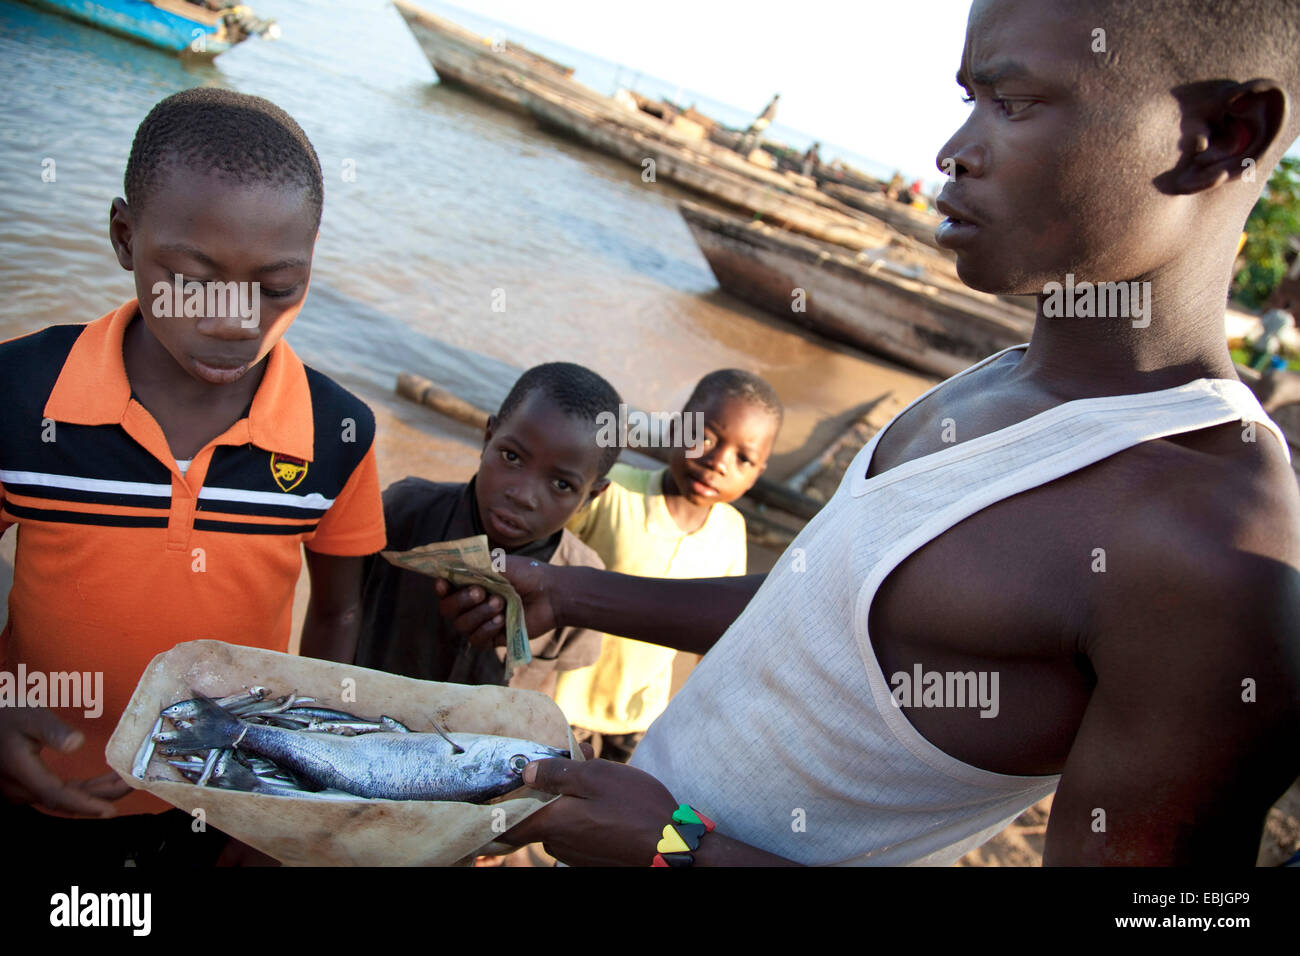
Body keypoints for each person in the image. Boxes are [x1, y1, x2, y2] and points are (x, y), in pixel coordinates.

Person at [439, 0, 1300, 866]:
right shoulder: (1001, 384)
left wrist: (675, 844)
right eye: (969, 98)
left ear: (1224, 134)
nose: (955, 150)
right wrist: (574, 595)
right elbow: (823, 615)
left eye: (1015, 103)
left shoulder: (1210, 548)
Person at [0, 88, 386, 864]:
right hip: (28, 773)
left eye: (278, 287)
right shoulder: (20, 393)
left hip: (214, 796)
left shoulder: (337, 433)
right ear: (123, 236)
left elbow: (337, 615)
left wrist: (287, 785)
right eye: (191, 276)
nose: (234, 319)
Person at [552, 370, 782, 762]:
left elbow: (715, 624)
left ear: (757, 473)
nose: (718, 462)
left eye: (743, 458)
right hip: (559, 700)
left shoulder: (730, 530)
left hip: (638, 714)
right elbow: (544, 552)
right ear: (676, 427)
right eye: (705, 437)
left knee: (607, 806)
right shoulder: (612, 490)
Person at [353, 363, 616, 695]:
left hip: (487, 743)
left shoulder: (581, 581)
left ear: (591, 497)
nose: (522, 495)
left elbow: (548, 689)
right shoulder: (403, 511)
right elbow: (342, 612)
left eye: (562, 484)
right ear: (487, 438)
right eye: (511, 456)